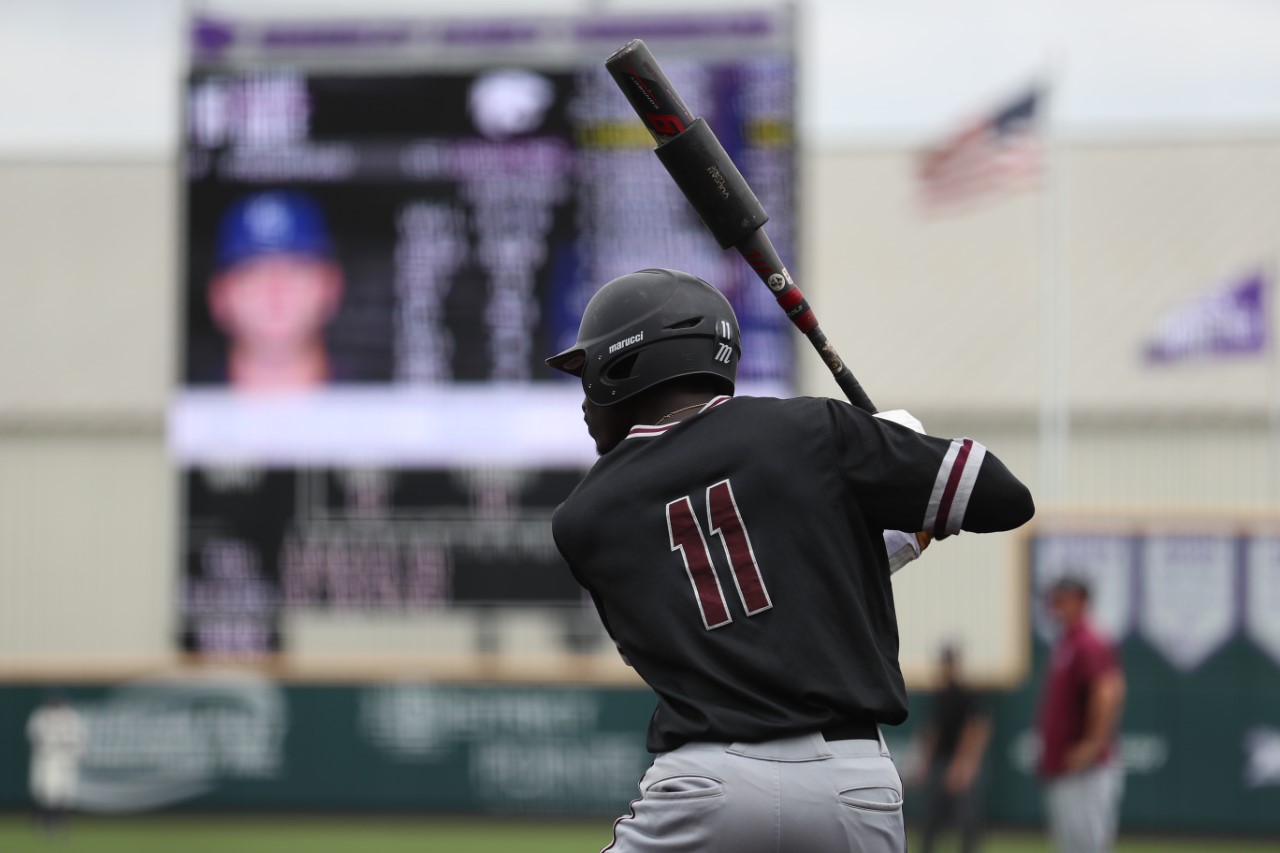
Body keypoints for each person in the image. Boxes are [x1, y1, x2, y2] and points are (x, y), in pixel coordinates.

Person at [546, 269, 1035, 853]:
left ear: (626, 363)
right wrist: (894, 452)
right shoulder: (814, 429)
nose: (583, 399)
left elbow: (721, 609)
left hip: (704, 787)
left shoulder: (584, 518)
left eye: (587, 373)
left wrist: (867, 521)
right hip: (854, 785)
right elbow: (1005, 497)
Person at [205, 190, 345, 390]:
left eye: (295, 268)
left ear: (331, 287)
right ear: (219, 296)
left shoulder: (379, 398)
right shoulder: (180, 398)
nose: (275, 290)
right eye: (252, 271)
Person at [1038, 576, 1126, 853]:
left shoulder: (1089, 641)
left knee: (1087, 846)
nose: (1054, 607)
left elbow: (1108, 690)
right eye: (1054, 600)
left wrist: (1093, 743)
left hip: (1085, 770)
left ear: (1080, 601)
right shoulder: (1067, 642)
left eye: (1061, 600)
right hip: (1066, 767)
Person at [913, 645, 991, 853]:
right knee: (930, 820)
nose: (945, 667)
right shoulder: (940, 694)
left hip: (959, 764)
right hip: (939, 763)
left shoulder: (966, 694)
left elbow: (977, 729)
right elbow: (934, 731)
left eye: (948, 663)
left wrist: (964, 765)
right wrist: (924, 763)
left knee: (967, 822)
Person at [26, 693, 87, 835]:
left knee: (67, 793)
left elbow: (81, 739)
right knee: (48, 792)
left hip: (67, 760)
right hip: (48, 760)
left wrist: (75, 751)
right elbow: (33, 736)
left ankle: (62, 822)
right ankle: (48, 822)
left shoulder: (72, 717)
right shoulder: (40, 716)